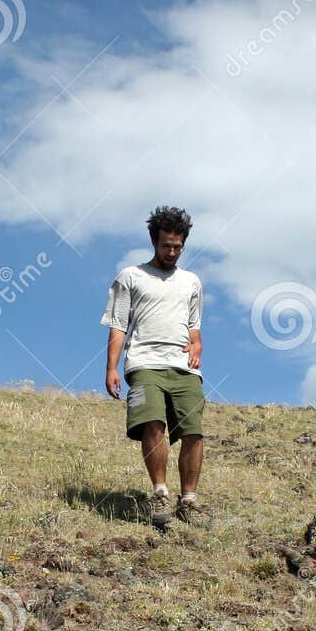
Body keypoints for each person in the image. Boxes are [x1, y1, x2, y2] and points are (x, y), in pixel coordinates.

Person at [102, 206, 206, 529]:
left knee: (194, 432)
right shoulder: (130, 277)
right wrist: (111, 368)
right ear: (154, 241)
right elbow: (118, 325)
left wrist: (197, 345)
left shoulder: (191, 282)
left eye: (178, 247)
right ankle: (159, 494)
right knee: (153, 423)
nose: (172, 252)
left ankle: (189, 501)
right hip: (144, 363)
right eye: (166, 246)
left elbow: (194, 326)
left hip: (184, 368)